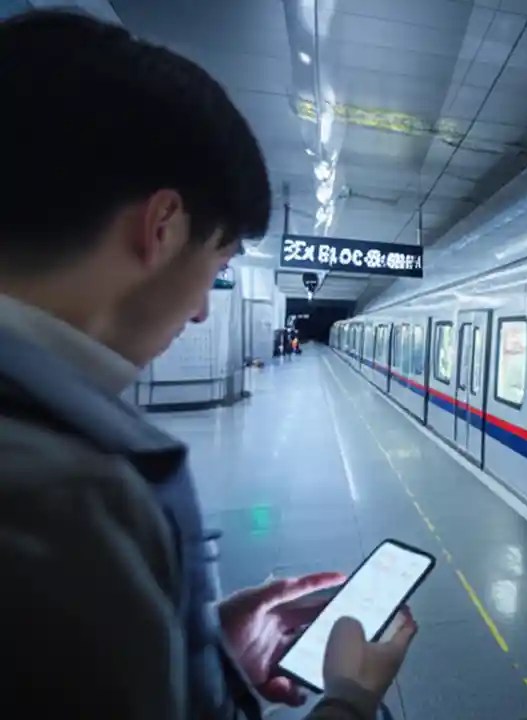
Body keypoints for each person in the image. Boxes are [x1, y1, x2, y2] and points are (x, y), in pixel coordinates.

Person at [0, 9, 418, 719]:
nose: (200, 312)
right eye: (217, 262)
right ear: (161, 228)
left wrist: (193, 640)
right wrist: (349, 700)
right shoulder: (65, 497)